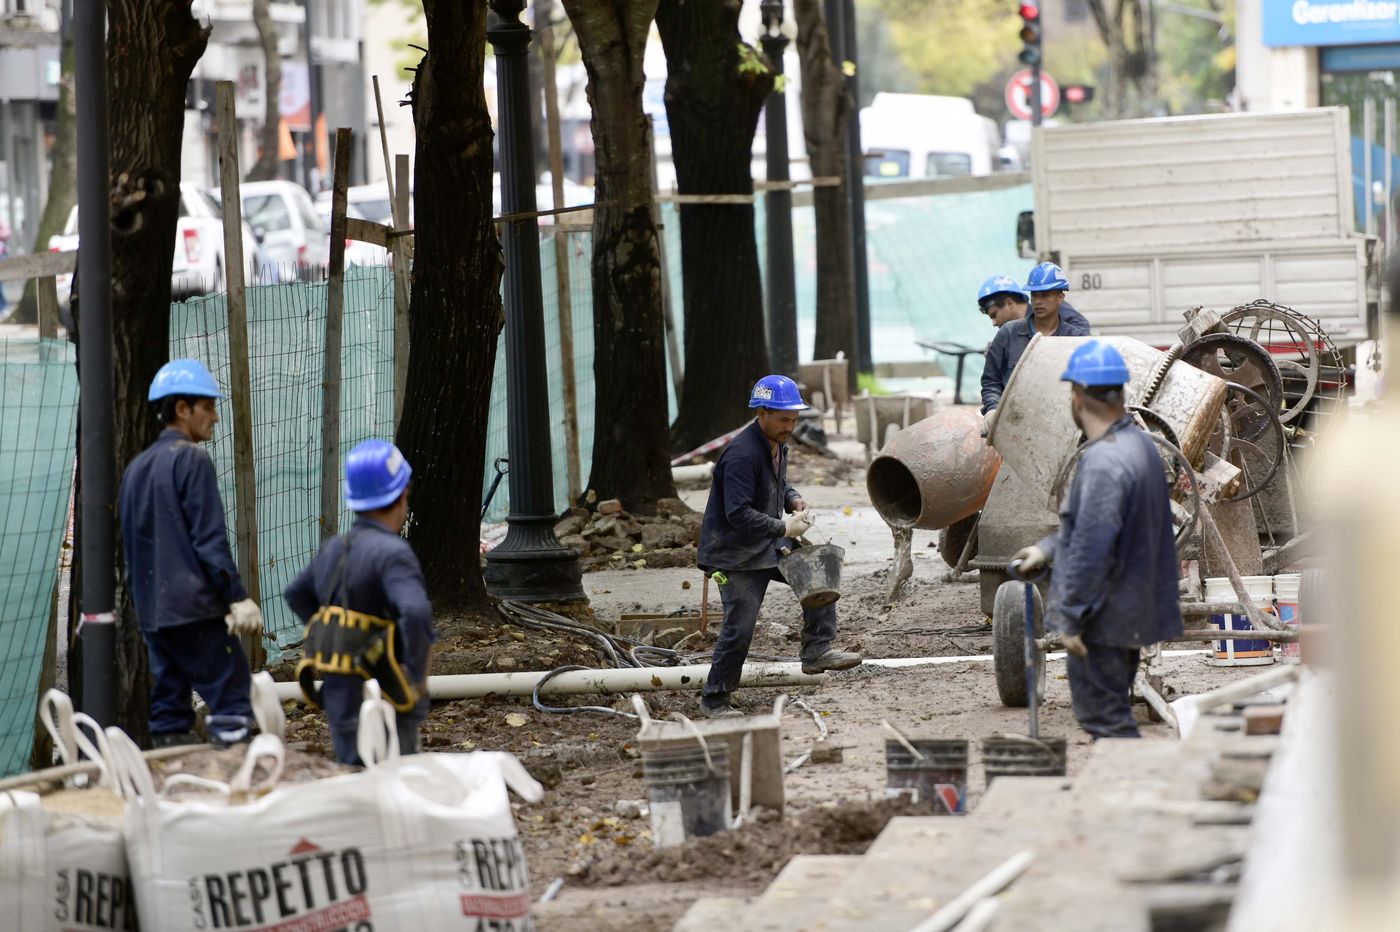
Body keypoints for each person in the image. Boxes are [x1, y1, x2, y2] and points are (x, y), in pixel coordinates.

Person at [1011, 341, 1183, 739]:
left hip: (1103, 620)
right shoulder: (1141, 446)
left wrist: (1069, 618)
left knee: (1106, 721)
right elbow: (1100, 528)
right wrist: (1046, 549)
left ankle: (1131, 793)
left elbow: (1091, 548)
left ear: (1077, 396)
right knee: (1113, 713)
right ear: (1121, 393)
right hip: (1131, 612)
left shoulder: (1104, 461)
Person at [698, 375, 863, 718]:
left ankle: (816, 650)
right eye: (784, 419)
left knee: (818, 573)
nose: (791, 427)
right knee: (739, 627)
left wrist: (794, 499)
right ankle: (715, 699)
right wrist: (781, 526)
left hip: (766, 543)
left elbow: (779, 483)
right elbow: (737, 513)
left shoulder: (776, 444)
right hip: (735, 555)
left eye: (794, 419)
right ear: (762, 413)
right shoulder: (742, 455)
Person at [119, 359, 263, 748]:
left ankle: (174, 793)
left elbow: (132, 548)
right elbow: (210, 542)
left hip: (153, 615)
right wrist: (237, 597)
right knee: (232, 699)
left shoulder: (135, 469)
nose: (215, 417)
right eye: (208, 407)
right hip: (196, 611)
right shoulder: (192, 460)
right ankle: (233, 797)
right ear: (182, 409)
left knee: (169, 712)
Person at [285, 439, 434, 765]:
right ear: (402, 494)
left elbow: (296, 594)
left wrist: (331, 632)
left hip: (339, 692)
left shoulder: (333, 549)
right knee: (397, 781)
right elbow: (415, 611)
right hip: (387, 691)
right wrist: (417, 677)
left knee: (355, 777)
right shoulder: (393, 553)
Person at [980, 261, 1091, 414]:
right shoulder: (1008, 334)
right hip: (1015, 420)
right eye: (1034, 295)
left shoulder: (1076, 338)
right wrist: (992, 409)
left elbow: (1088, 387)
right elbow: (991, 381)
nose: (1038, 301)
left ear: (1060, 297)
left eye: (1045, 295)